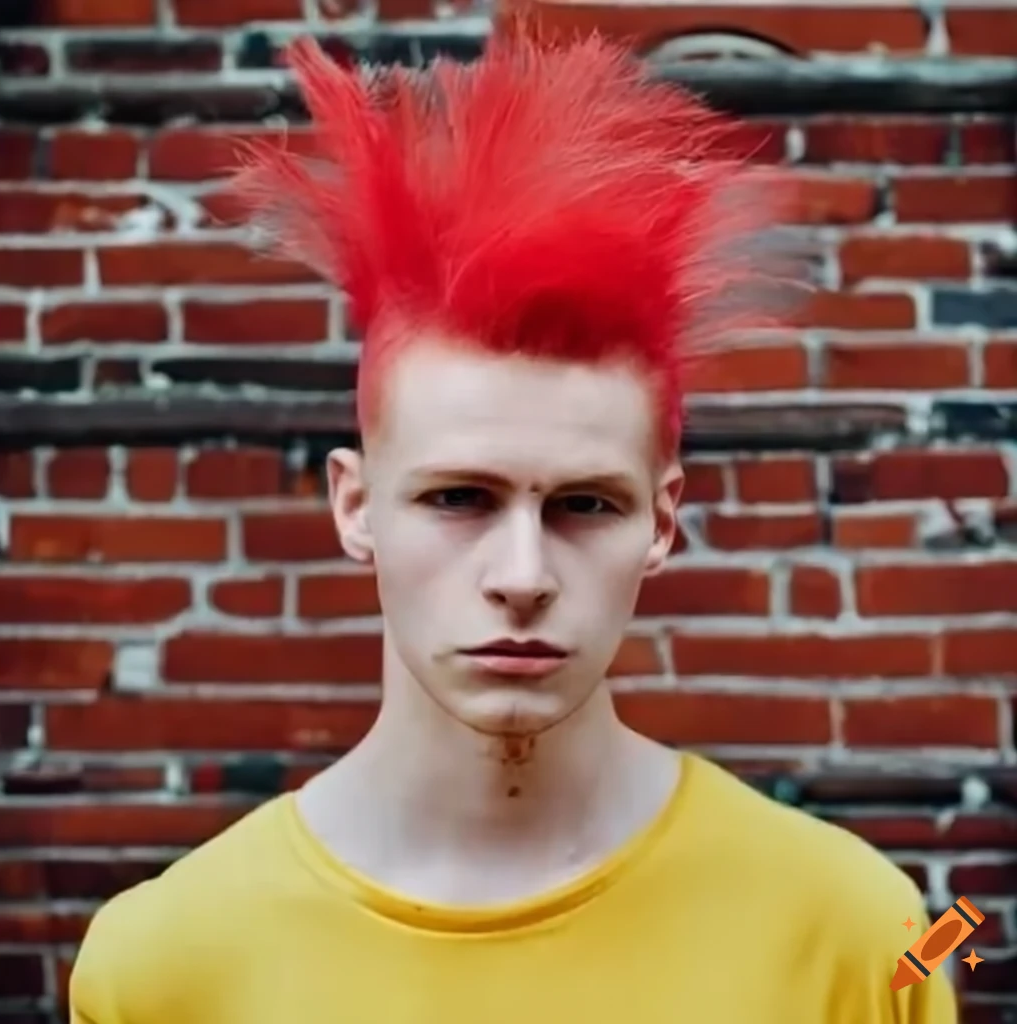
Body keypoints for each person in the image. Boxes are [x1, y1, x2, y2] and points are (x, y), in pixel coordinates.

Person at [69, 21, 957, 1024]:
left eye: (586, 503)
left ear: (662, 523)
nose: (522, 572)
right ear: (355, 506)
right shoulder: (161, 968)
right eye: (458, 497)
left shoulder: (861, 939)